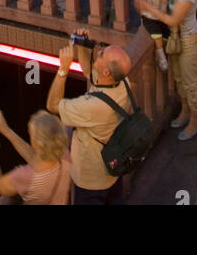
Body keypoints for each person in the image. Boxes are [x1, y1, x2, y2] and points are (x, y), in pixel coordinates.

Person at [47, 42, 133, 205]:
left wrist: (63, 69)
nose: (99, 52)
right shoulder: (123, 83)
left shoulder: (92, 106)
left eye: (102, 55)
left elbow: (52, 105)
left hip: (91, 179)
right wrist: (83, 48)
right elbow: (92, 75)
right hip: (113, 167)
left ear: (107, 71)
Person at [141, 0, 197, 139]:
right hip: (175, 37)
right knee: (178, 76)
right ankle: (185, 110)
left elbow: (173, 19)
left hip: (188, 38)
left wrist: (150, 8)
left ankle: (195, 120)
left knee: (190, 80)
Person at [0, 107, 71, 205]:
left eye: (30, 133)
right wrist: (6, 130)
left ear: (37, 144)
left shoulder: (26, 176)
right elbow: (35, 158)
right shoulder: (64, 154)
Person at [135, 0, 171, 73]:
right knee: (157, 35)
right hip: (149, 17)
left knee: (167, 35)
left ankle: (165, 51)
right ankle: (160, 53)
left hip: (162, 17)